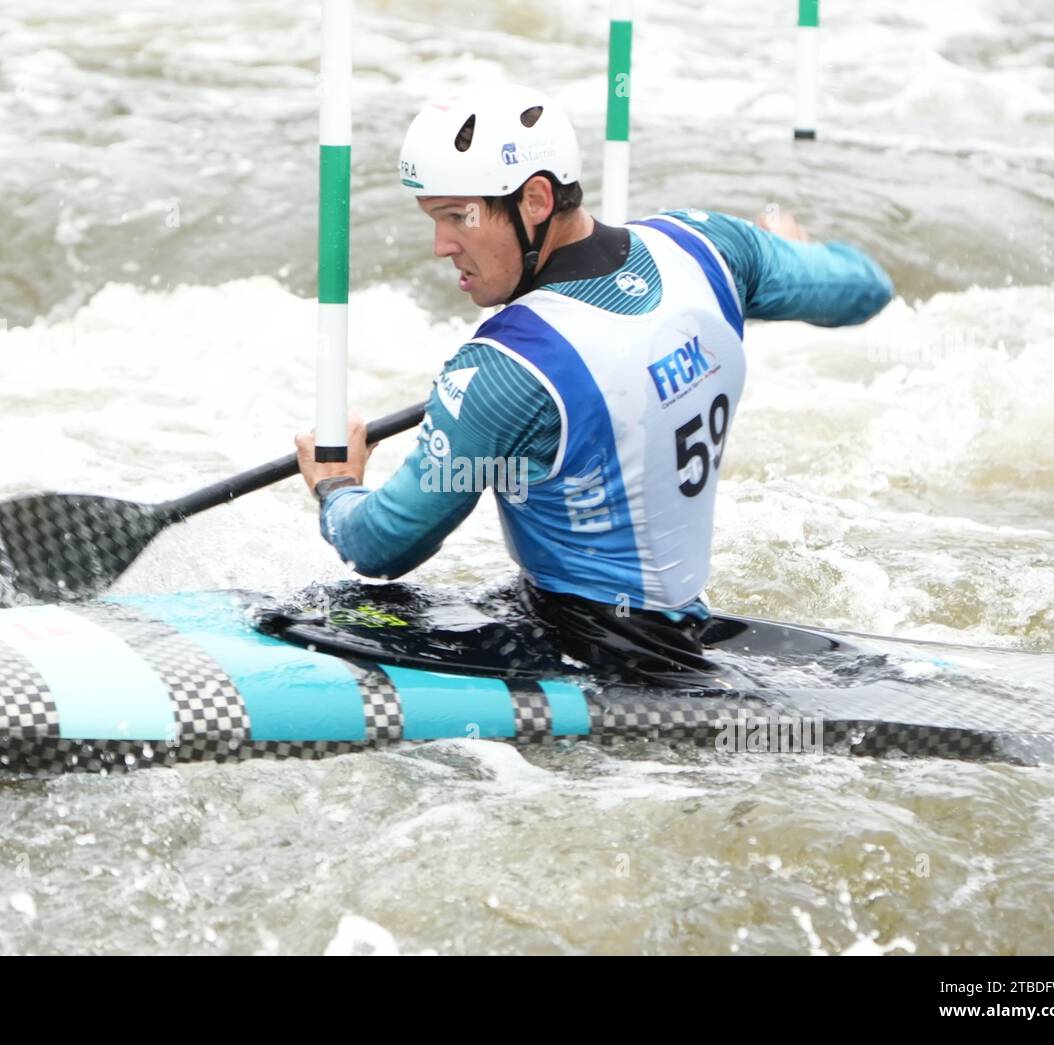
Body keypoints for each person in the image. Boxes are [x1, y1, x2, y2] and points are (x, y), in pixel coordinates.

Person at [295, 83, 893, 684]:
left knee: (318, 616)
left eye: (458, 217)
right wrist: (785, 249)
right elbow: (864, 289)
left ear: (534, 200)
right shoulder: (708, 245)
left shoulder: (506, 370)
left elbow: (380, 547)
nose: (441, 246)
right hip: (678, 631)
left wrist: (337, 484)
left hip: (585, 653)